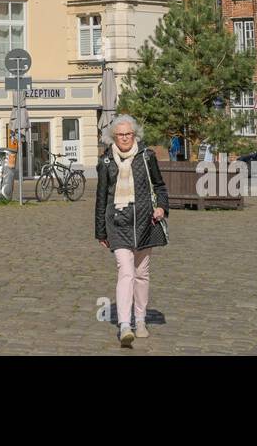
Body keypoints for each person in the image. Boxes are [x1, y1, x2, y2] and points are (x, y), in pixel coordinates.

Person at [94, 114, 169, 348]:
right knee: (126, 272)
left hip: (145, 222)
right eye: (120, 135)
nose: (125, 138)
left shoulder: (147, 157)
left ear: (134, 135)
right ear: (113, 137)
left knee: (142, 274)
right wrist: (100, 232)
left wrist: (161, 207)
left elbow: (160, 186)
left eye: (128, 134)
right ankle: (125, 325)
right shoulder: (106, 163)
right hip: (117, 222)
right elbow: (101, 197)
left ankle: (141, 319)